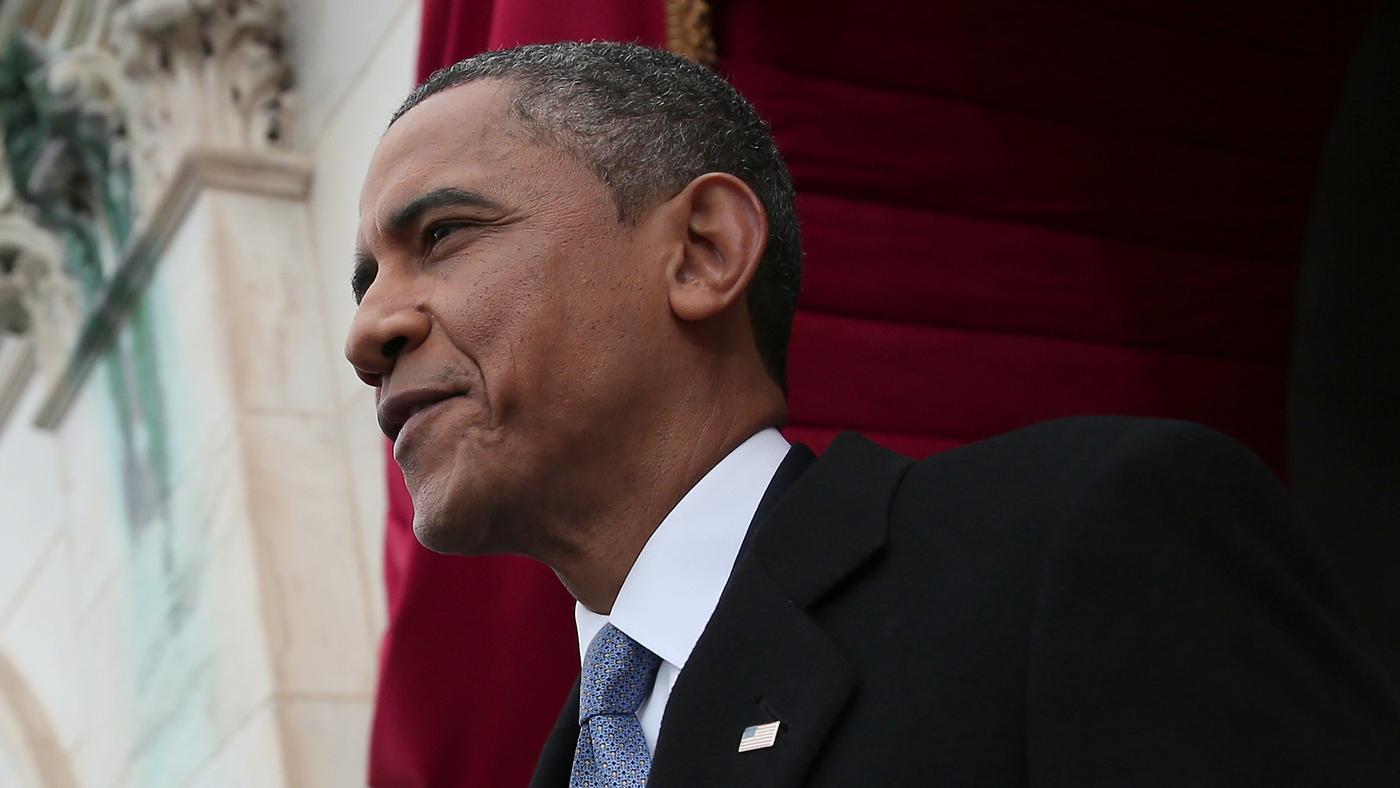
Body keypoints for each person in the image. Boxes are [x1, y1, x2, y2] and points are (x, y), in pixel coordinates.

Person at [344, 42, 1400, 787]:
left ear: (702, 250)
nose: (368, 333)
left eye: (442, 235)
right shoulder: (573, 757)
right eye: (363, 281)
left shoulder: (1083, 541)